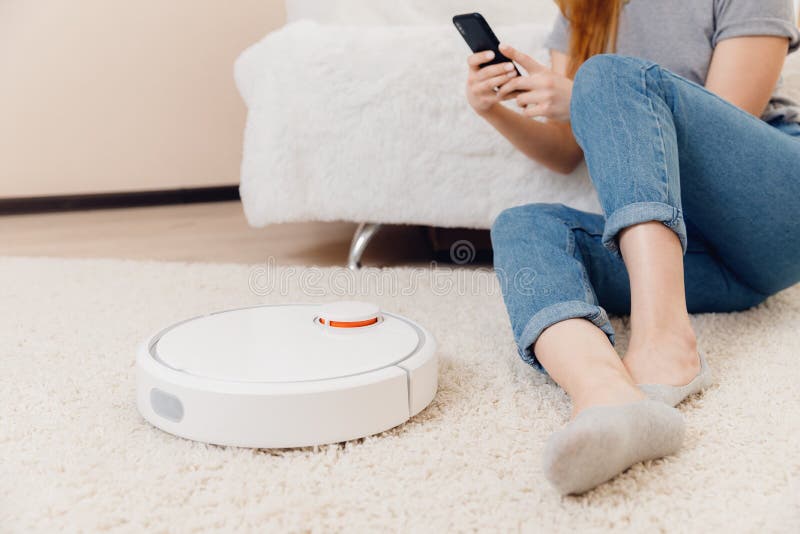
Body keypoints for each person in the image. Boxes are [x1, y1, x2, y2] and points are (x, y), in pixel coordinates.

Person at [466, 0, 800, 495]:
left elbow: (731, 115)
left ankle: (666, 343)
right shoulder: (582, 8)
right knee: (523, 225)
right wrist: (494, 109)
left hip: (774, 212)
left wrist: (585, 92)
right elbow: (563, 153)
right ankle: (607, 397)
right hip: (699, 257)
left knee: (609, 75)